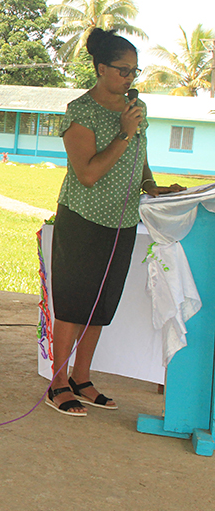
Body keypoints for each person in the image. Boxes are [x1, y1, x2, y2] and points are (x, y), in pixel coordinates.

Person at [48, 28, 185, 417]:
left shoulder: (134, 110)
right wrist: (124, 134)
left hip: (123, 218)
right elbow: (88, 173)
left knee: (102, 304)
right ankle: (56, 383)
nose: (130, 78)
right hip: (84, 217)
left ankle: (82, 376)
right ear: (100, 67)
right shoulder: (82, 111)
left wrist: (152, 186)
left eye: (134, 71)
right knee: (74, 304)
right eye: (123, 70)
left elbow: (138, 157)